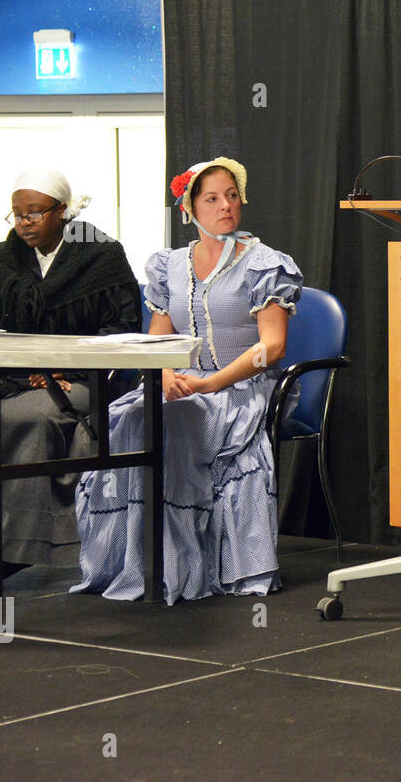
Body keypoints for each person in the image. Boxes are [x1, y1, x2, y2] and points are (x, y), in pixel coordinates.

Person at [72, 157, 302, 604]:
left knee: (173, 425)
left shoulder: (263, 264)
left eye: (232, 197)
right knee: (136, 419)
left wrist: (209, 384)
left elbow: (271, 348)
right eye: (212, 198)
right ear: (190, 208)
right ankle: (139, 561)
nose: (225, 207)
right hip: (182, 384)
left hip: (241, 387)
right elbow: (157, 341)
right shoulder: (169, 266)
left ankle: (182, 568)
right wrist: (164, 376)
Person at [0, 169, 141, 584]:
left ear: (61, 211)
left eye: (35, 213)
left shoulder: (102, 256)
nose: (24, 223)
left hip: (82, 380)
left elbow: (121, 328)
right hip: (12, 378)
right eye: (17, 214)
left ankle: (8, 552)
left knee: (36, 417)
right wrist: (25, 370)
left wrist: (64, 367)